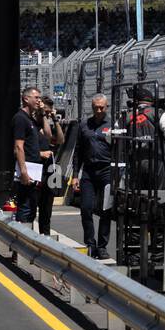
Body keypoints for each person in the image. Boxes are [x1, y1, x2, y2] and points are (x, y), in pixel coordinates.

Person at [72, 94, 113, 258]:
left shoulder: (113, 125)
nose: (99, 110)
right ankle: (90, 243)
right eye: (96, 107)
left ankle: (102, 246)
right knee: (86, 208)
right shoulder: (84, 125)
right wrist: (75, 175)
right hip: (89, 172)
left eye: (102, 107)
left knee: (105, 210)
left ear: (106, 107)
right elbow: (78, 152)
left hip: (107, 171)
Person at [12, 87, 43, 226]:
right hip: (27, 170)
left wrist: (42, 114)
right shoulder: (20, 118)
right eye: (36, 98)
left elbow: (48, 134)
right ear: (26, 99)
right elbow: (19, 147)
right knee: (25, 207)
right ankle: (22, 235)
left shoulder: (31, 120)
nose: (39, 101)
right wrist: (24, 172)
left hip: (34, 170)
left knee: (31, 208)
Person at [36, 95, 65, 236]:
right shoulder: (34, 125)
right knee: (33, 203)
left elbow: (60, 140)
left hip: (52, 169)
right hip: (37, 168)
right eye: (45, 112)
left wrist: (55, 119)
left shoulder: (50, 124)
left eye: (49, 112)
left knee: (47, 208)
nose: (47, 115)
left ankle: (45, 234)